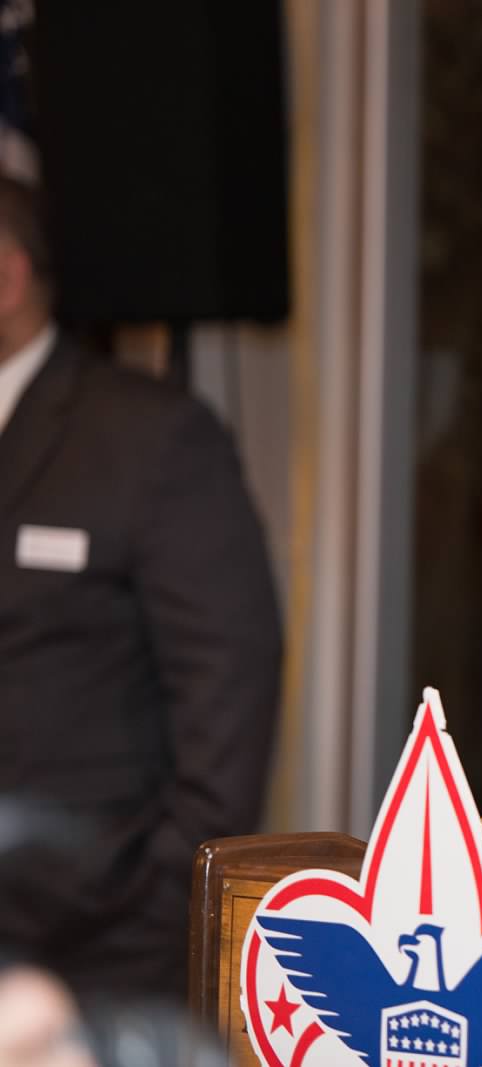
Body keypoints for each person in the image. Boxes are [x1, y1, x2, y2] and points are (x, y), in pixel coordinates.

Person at [0, 176, 282, 1003]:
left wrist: (154, 900)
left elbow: (229, 688)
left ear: (7, 277)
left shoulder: (148, 440)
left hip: (90, 955)